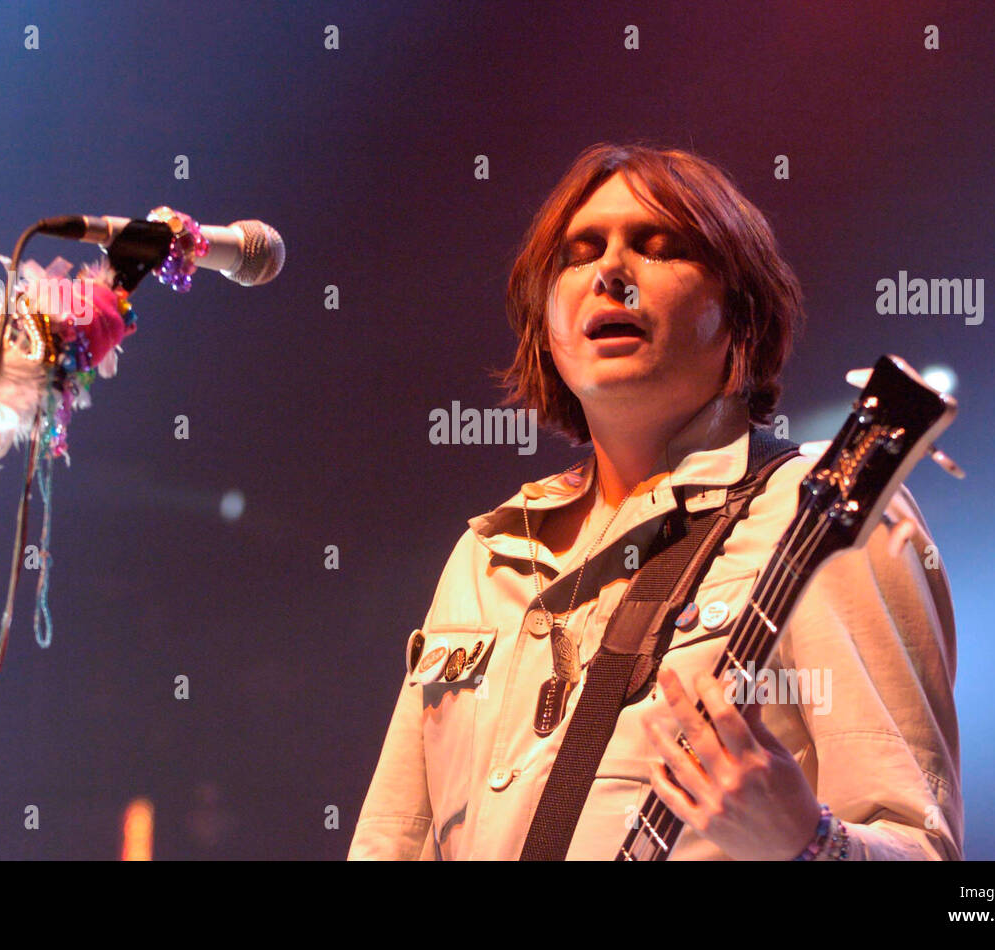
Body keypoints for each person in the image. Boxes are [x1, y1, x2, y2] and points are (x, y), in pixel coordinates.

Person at [347, 142, 962, 861]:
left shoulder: (819, 513)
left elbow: (921, 849)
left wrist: (807, 843)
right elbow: (393, 840)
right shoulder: (488, 558)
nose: (611, 272)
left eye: (659, 247)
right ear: (546, 324)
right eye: (578, 254)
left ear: (740, 313)